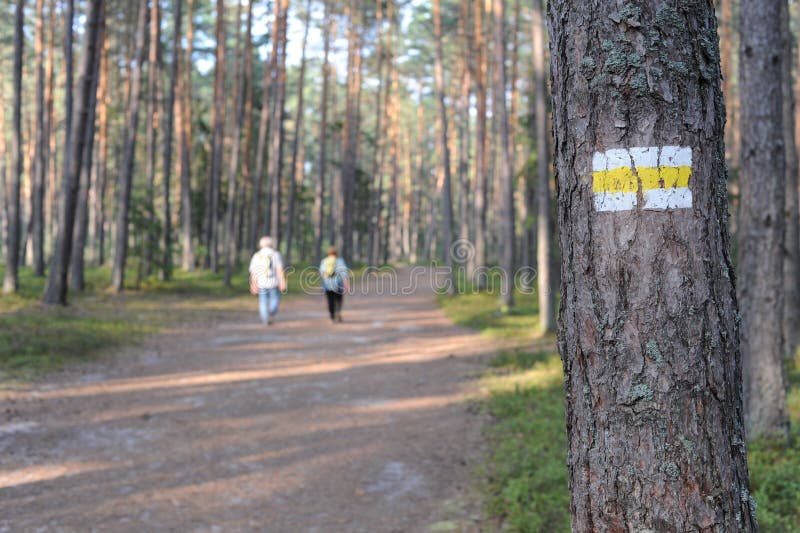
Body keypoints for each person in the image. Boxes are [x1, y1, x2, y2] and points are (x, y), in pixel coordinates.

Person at [249, 237, 287, 326]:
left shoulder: (257, 255)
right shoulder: (275, 254)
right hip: (273, 282)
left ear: (261, 245)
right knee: (275, 300)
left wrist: (253, 284)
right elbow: (279, 270)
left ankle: (265, 318)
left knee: (263, 302)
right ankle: (271, 311)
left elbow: (254, 272)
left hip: (261, 282)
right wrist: (282, 281)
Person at [320, 247, 349, 323]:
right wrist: (346, 284)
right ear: (336, 253)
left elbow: (322, 273)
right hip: (338, 284)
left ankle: (332, 317)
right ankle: (338, 312)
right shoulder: (340, 261)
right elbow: (344, 272)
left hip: (327, 285)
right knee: (338, 300)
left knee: (330, 301)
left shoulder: (324, 261)